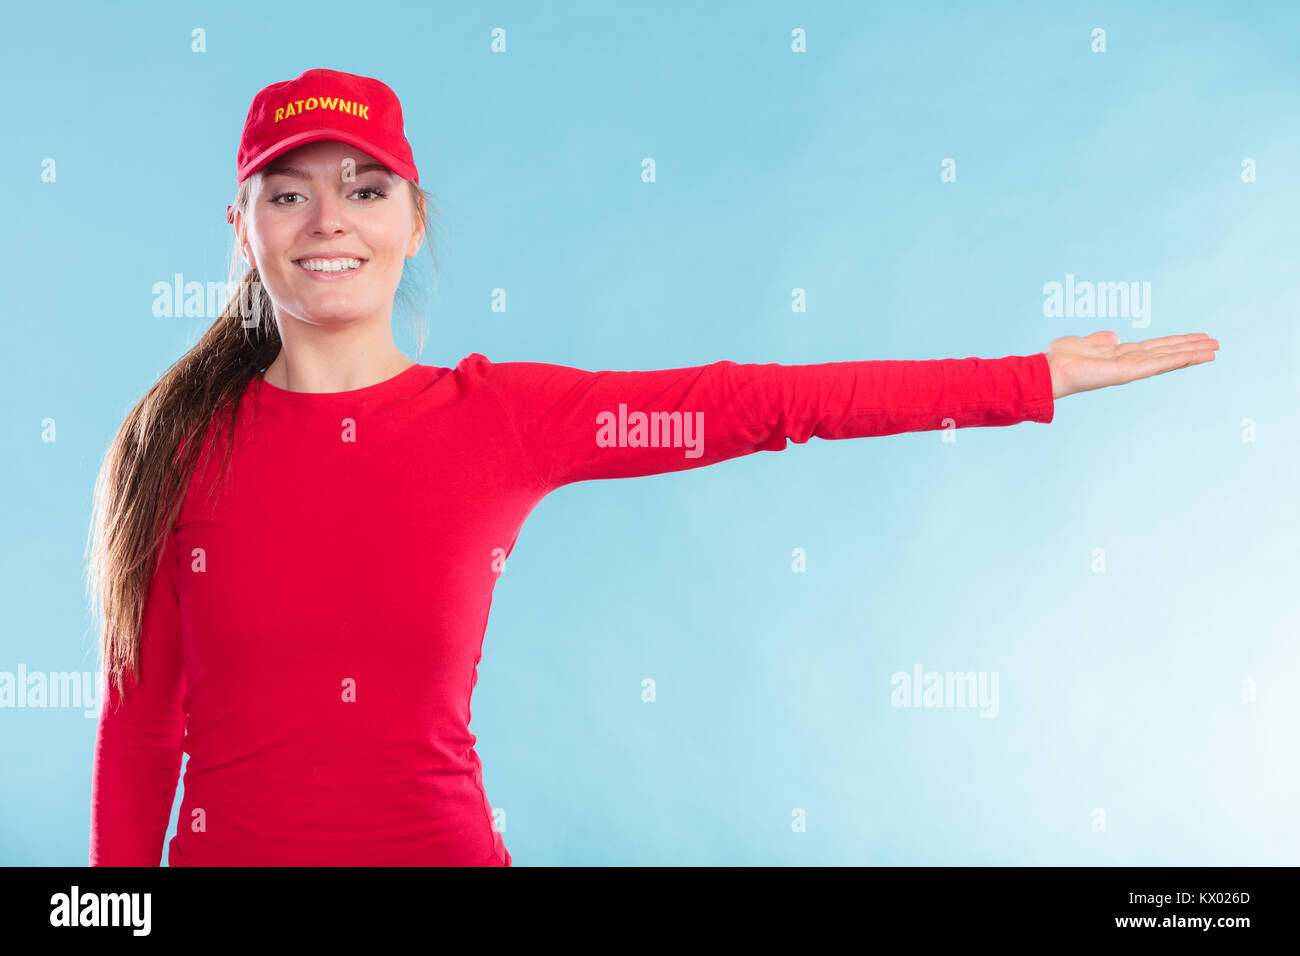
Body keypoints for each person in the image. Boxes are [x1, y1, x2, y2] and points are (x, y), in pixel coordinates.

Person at [85, 68, 1219, 867]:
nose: (328, 219)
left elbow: (760, 405)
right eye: (289, 191)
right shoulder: (168, 448)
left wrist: (1025, 378)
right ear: (243, 226)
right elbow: (141, 726)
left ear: (414, 222)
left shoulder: (498, 419)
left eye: (365, 188)